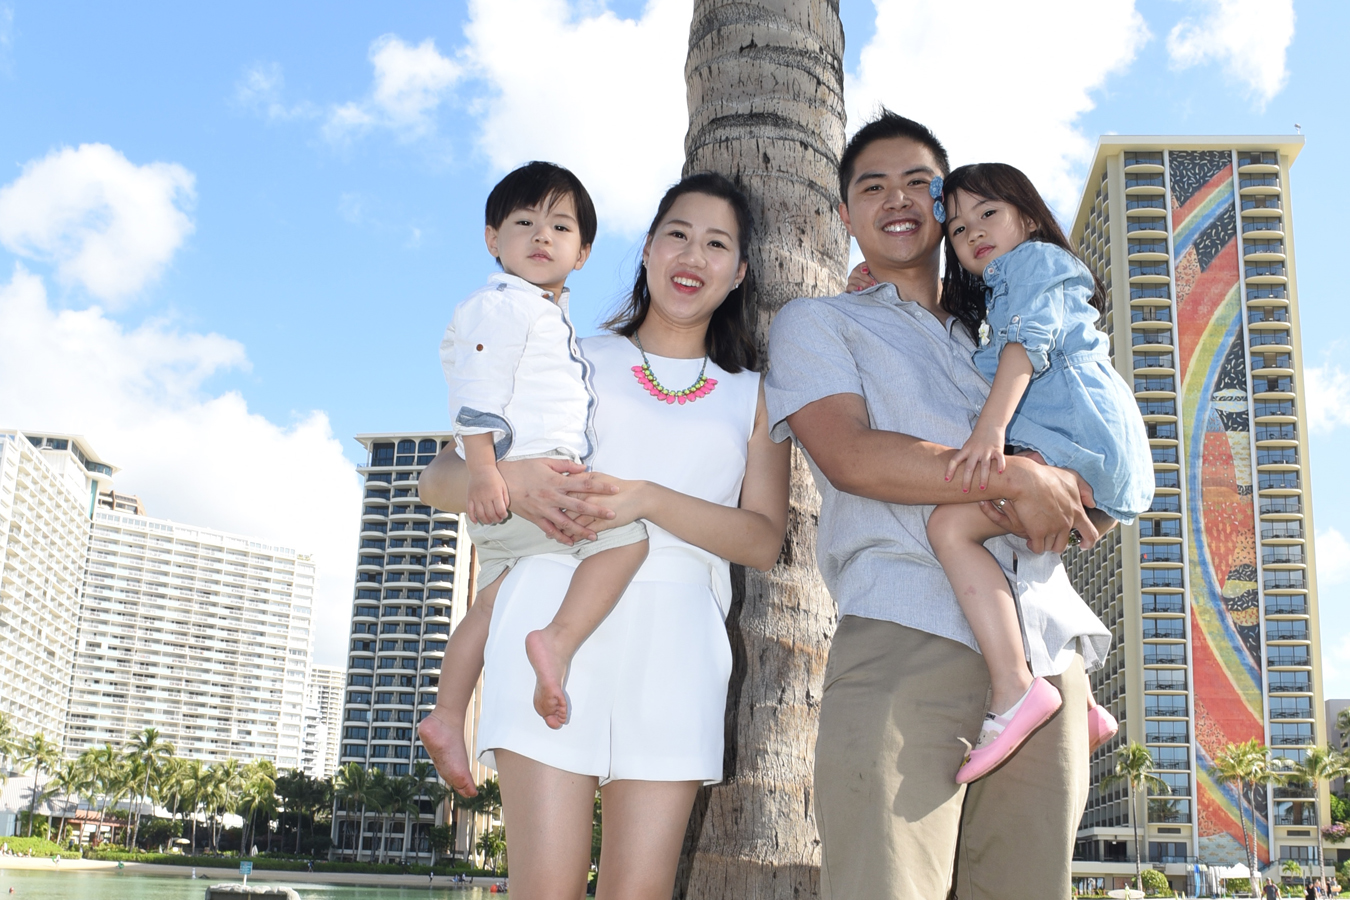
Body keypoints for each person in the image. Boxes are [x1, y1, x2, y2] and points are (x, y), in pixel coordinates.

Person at [765, 110, 1112, 899]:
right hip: (905, 631)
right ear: (845, 214)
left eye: (918, 183)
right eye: (872, 186)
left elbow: (1089, 466)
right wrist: (1014, 479)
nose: (897, 198)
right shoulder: (819, 322)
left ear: (944, 207)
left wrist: (1071, 491)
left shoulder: (999, 338)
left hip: (1047, 656)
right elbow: (852, 457)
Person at [419, 172, 790, 900]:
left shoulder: (754, 394)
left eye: (717, 244)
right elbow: (438, 479)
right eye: (677, 234)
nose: (693, 255)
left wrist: (647, 499)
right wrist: (517, 483)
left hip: (679, 644)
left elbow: (761, 541)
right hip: (551, 618)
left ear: (740, 271)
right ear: (647, 249)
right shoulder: (564, 349)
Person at [847, 162, 1151, 782]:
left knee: (950, 527)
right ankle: (1083, 704)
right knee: (1005, 544)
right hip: (1084, 441)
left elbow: (1023, 347)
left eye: (989, 213)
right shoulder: (1007, 285)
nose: (974, 233)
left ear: (1029, 217)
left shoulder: (1036, 262)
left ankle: (1015, 688)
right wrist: (874, 284)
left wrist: (989, 434)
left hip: (1080, 439)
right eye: (959, 228)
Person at [427, 162, 650, 794]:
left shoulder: (544, 315)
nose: (541, 236)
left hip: (505, 496)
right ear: (492, 239)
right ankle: (556, 642)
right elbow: (475, 390)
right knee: (626, 537)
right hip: (524, 479)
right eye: (524, 223)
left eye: (560, 226)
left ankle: (446, 715)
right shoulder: (503, 306)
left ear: (583, 253)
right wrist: (483, 472)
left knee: (490, 603)